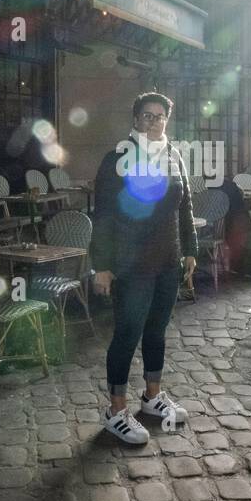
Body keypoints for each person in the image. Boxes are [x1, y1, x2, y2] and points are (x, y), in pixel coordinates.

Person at [90, 92, 198, 444]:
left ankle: (152, 398)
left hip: (168, 261)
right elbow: (103, 215)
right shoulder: (117, 159)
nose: (153, 122)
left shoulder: (173, 156)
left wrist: (190, 250)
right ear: (135, 119)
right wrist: (101, 265)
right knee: (127, 333)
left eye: (160, 116)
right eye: (147, 116)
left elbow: (185, 206)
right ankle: (116, 411)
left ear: (167, 121)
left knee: (156, 332)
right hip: (131, 264)